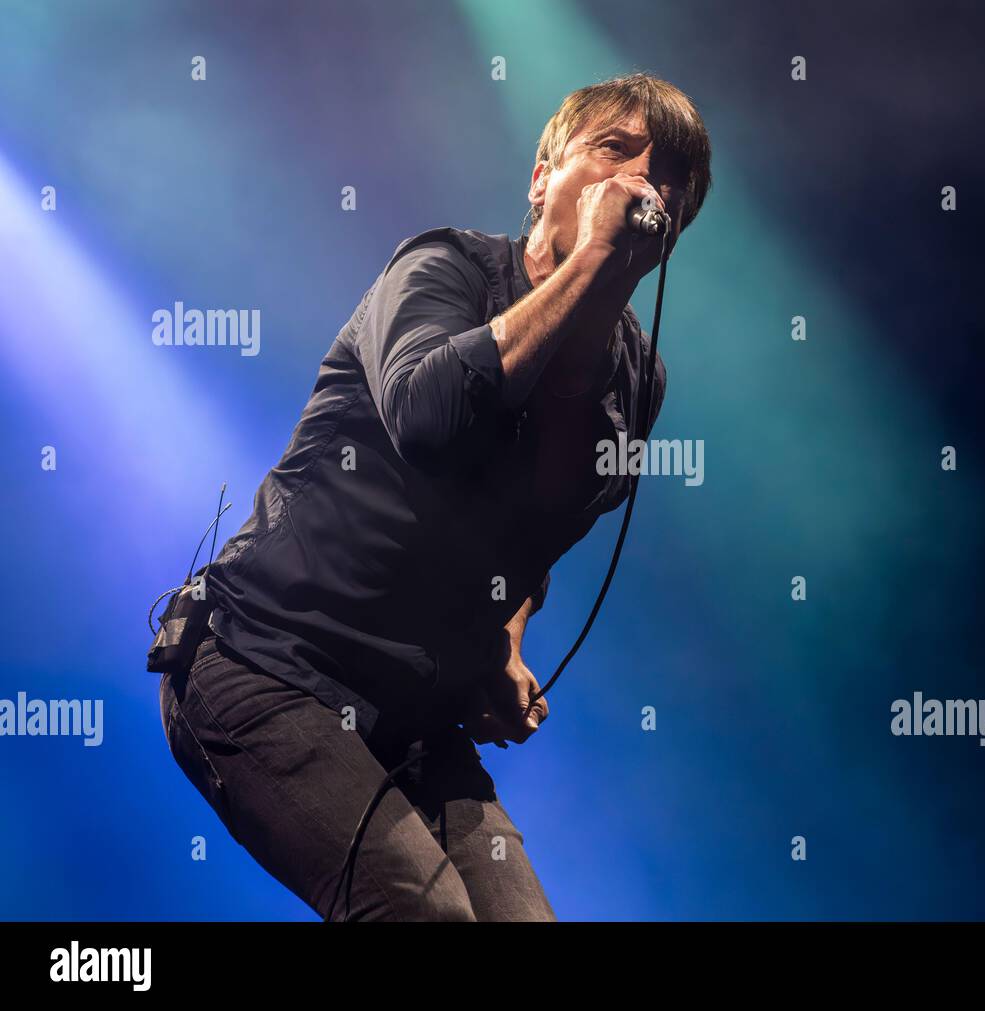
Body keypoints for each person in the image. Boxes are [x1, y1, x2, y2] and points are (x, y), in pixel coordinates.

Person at [157, 72, 713, 921]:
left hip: (415, 719)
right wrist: (596, 263)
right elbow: (427, 417)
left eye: (669, 173)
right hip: (266, 663)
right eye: (614, 150)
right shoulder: (443, 270)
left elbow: (535, 534)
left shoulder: (637, 377)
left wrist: (505, 643)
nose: (641, 181)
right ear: (541, 176)